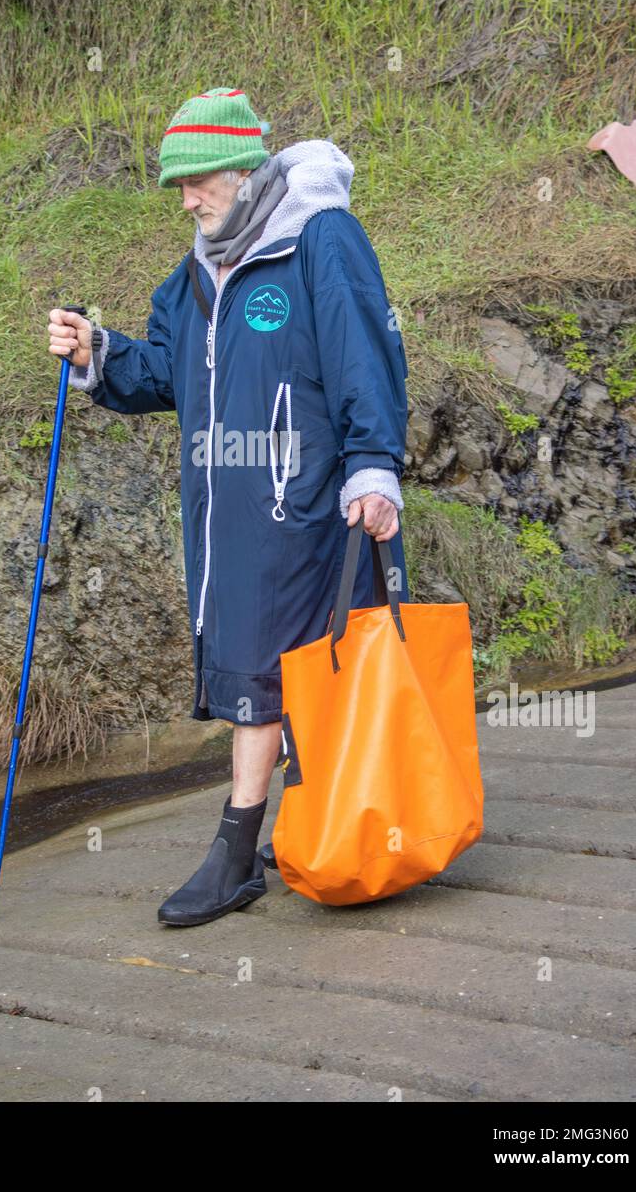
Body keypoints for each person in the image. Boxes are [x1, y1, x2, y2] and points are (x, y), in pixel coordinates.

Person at [47, 86, 409, 927]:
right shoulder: (193, 278)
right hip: (228, 513)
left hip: (314, 504)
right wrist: (99, 351)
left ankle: (236, 852)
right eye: (178, 185)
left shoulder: (320, 238)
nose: (188, 199)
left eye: (200, 180)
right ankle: (313, 829)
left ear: (246, 169)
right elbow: (165, 375)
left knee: (275, 674)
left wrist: (373, 467)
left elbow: (366, 349)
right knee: (284, 675)